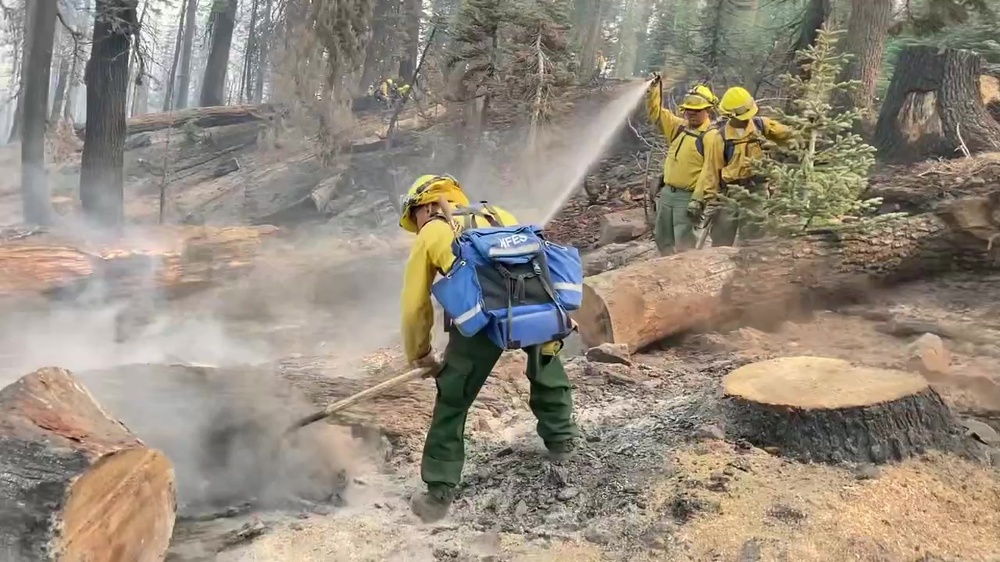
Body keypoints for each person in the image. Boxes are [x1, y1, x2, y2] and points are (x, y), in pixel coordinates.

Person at [399, 174, 580, 523]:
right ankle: (563, 442)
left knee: (453, 397)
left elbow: (414, 305)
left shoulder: (432, 232)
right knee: (547, 367)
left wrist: (419, 353)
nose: (417, 224)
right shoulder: (497, 214)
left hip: (482, 322)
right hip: (537, 306)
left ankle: (438, 495)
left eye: (414, 217)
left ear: (422, 207)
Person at [692, 86, 792, 246]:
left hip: (756, 190)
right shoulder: (720, 137)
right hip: (728, 193)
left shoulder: (762, 126)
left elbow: (790, 135)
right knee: (721, 238)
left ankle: (752, 268)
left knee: (755, 237)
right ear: (730, 115)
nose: (747, 118)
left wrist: (807, 129)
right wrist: (710, 199)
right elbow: (712, 170)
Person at [645, 77, 719, 255]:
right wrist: (652, 91)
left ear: (708, 110)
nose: (691, 114)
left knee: (686, 245)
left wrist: (698, 199)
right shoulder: (679, 127)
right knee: (663, 239)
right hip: (667, 194)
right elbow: (657, 113)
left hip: (688, 199)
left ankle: (686, 280)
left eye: (696, 110)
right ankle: (664, 274)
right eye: (688, 110)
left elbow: (710, 172)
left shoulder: (711, 136)